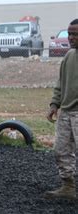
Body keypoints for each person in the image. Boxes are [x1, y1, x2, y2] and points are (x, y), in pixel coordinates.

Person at [44, 18, 78, 200]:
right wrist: (54, 104)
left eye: (75, 34)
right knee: (61, 150)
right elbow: (60, 83)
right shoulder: (69, 56)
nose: (71, 37)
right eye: (69, 33)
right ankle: (68, 186)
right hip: (66, 112)